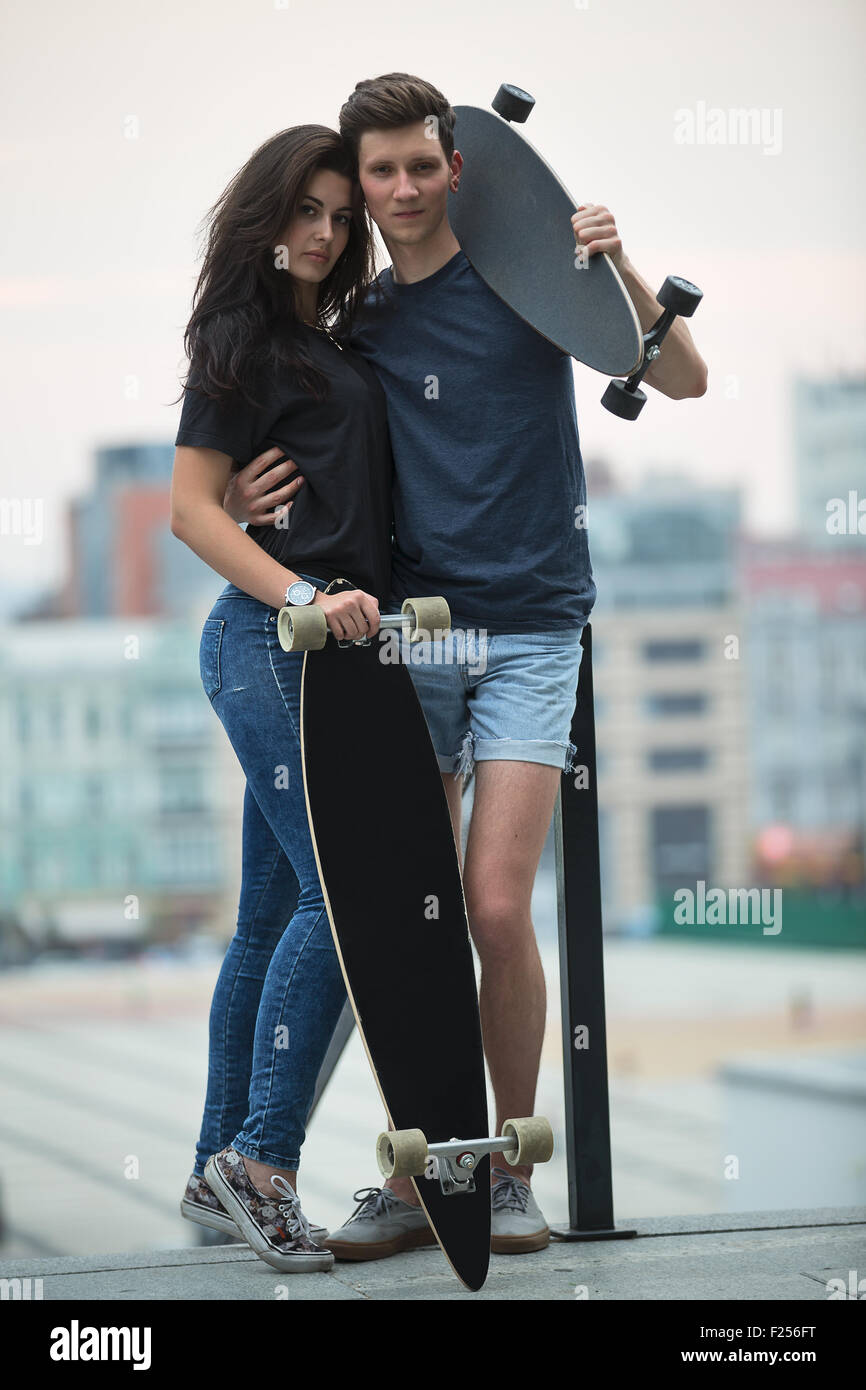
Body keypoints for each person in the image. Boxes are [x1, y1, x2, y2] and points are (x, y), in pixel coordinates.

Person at [225, 73, 708, 1260]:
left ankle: (503, 1172)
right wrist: (236, 495)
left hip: (537, 626)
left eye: (417, 167)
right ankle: (421, 1176)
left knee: (493, 902)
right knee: (411, 916)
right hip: (418, 630)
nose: (395, 192)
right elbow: (286, 462)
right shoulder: (364, 330)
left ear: (457, 167)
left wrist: (622, 268)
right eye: (375, 172)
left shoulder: (534, 288)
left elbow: (683, 376)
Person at [170, 124, 394, 1273]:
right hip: (269, 641)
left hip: (327, 648)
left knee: (269, 920)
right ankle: (262, 1161)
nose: (322, 234)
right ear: (264, 219)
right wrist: (303, 582)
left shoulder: (332, 337)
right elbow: (193, 512)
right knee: (344, 902)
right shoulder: (238, 337)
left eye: (336, 216)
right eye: (303, 212)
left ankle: (214, 1164)